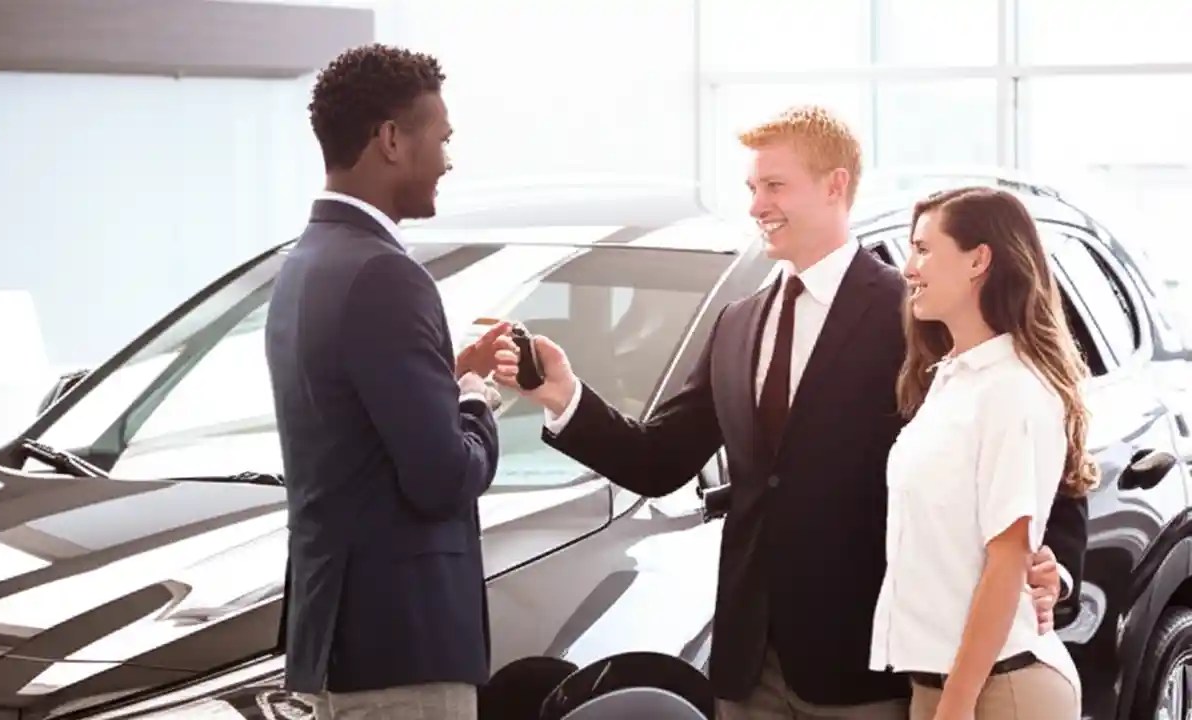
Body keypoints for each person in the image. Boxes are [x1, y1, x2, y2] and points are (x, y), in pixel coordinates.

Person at [492, 105, 1087, 719]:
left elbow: (1033, 457)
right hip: (747, 665)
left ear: (835, 187)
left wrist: (1055, 567)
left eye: (775, 185)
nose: (757, 205)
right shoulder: (738, 322)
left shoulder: (912, 311)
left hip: (865, 667)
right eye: (752, 187)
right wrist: (565, 396)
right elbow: (660, 459)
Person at [264, 43, 513, 720]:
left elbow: (354, 427)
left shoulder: (303, 264)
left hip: (334, 644)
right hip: (402, 652)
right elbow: (442, 478)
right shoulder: (386, 274)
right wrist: (475, 397)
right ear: (392, 140)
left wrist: (442, 379)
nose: (448, 160)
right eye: (443, 137)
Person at [869, 186, 1091, 719]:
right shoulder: (953, 380)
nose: (908, 269)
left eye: (924, 249)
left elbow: (1007, 561)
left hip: (996, 690)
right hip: (945, 685)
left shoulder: (1013, 389)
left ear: (978, 260)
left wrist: (958, 702)